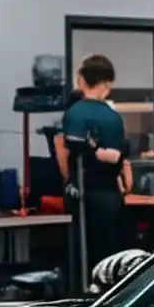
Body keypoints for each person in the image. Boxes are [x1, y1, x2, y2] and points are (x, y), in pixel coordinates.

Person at [55, 54, 132, 293]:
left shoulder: (73, 114)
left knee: (80, 257)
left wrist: (69, 179)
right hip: (108, 195)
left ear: (80, 80)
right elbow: (120, 159)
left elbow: (63, 153)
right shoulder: (113, 118)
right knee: (110, 260)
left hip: (81, 193)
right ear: (106, 85)